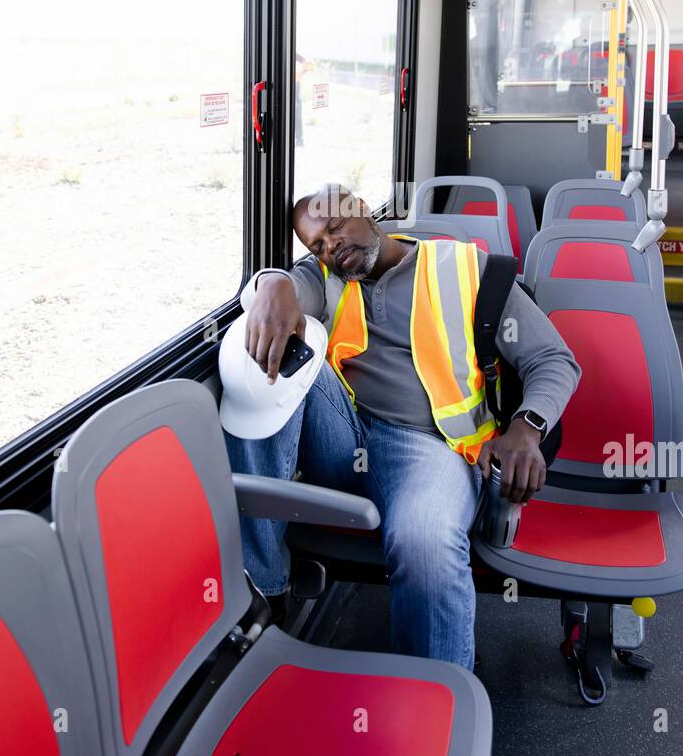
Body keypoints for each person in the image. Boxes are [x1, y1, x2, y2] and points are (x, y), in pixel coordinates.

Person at [222, 183, 581, 671]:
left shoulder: (468, 269)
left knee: (426, 541)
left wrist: (527, 427)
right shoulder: (325, 278)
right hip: (342, 439)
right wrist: (273, 285)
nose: (331, 247)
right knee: (265, 357)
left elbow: (553, 359)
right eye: (317, 245)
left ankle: (436, 692)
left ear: (362, 209)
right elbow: (285, 289)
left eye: (334, 228)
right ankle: (265, 590)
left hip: (432, 449)